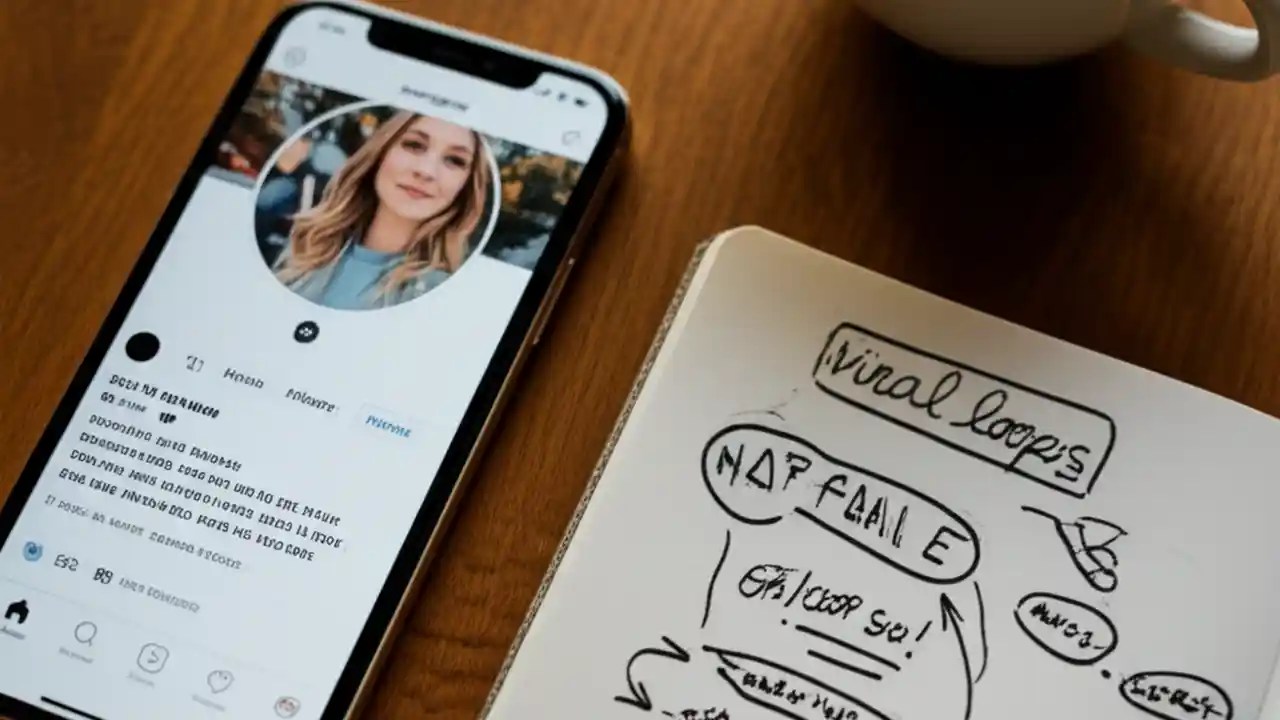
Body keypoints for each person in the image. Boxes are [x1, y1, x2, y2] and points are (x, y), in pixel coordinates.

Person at [272, 110, 493, 310]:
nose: (426, 171)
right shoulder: (307, 246)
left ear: (466, 186)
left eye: (454, 160)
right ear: (382, 152)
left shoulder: (444, 296)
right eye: (415, 145)